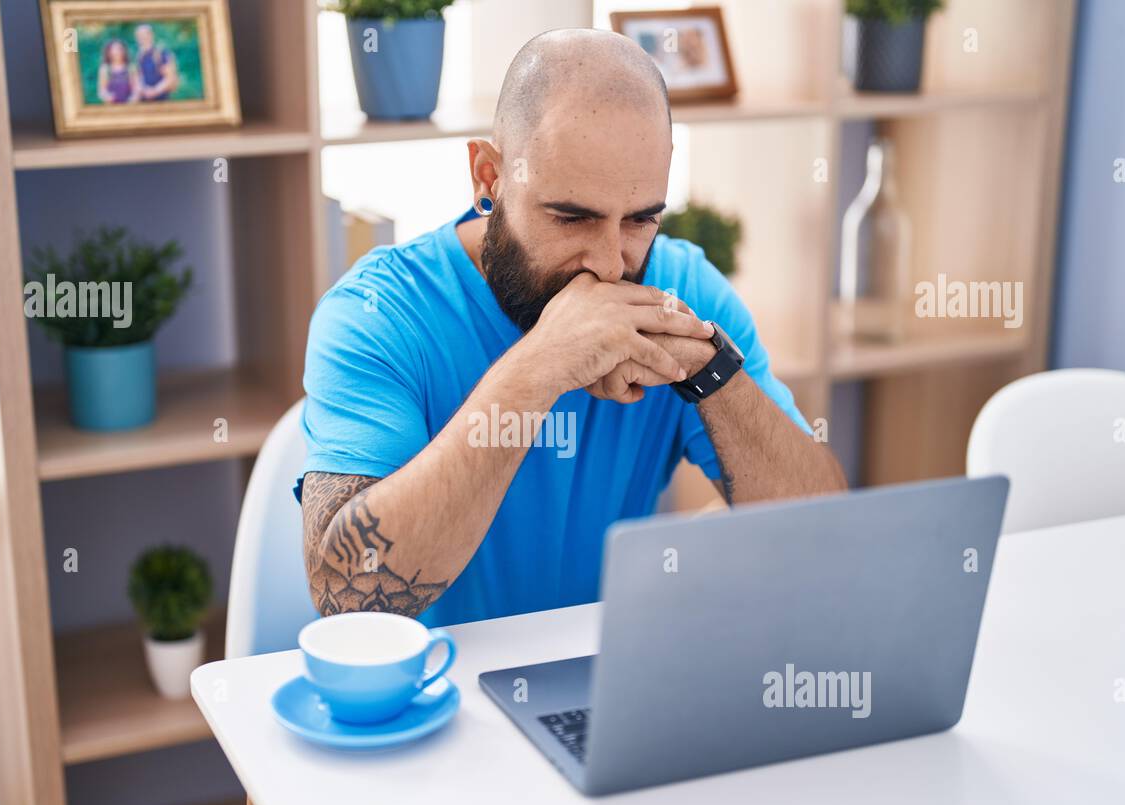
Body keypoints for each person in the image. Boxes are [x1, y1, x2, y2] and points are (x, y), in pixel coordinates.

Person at [297, 29, 846, 626]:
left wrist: (713, 375)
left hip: (605, 684)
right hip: (437, 698)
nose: (610, 264)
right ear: (488, 178)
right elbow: (344, 593)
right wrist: (542, 364)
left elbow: (820, 537)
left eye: (639, 220)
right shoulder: (376, 315)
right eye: (572, 217)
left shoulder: (684, 291)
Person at [134, 23, 178, 101]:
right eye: (139, 35)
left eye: (144, 34)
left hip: (162, 100)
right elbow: (139, 77)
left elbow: (170, 78)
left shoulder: (162, 53)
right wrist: (142, 90)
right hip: (144, 100)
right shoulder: (140, 56)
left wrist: (155, 91)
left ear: (151, 35)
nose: (142, 37)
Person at [96, 39, 137, 105]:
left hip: (129, 106)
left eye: (119, 49)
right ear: (109, 52)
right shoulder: (105, 69)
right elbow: (101, 91)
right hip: (111, 107)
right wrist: (107, 97)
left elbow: (136, 89)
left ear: (124, 51)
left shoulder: (131, 67)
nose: (117, 52)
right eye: (114, 49)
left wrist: (133, 99)